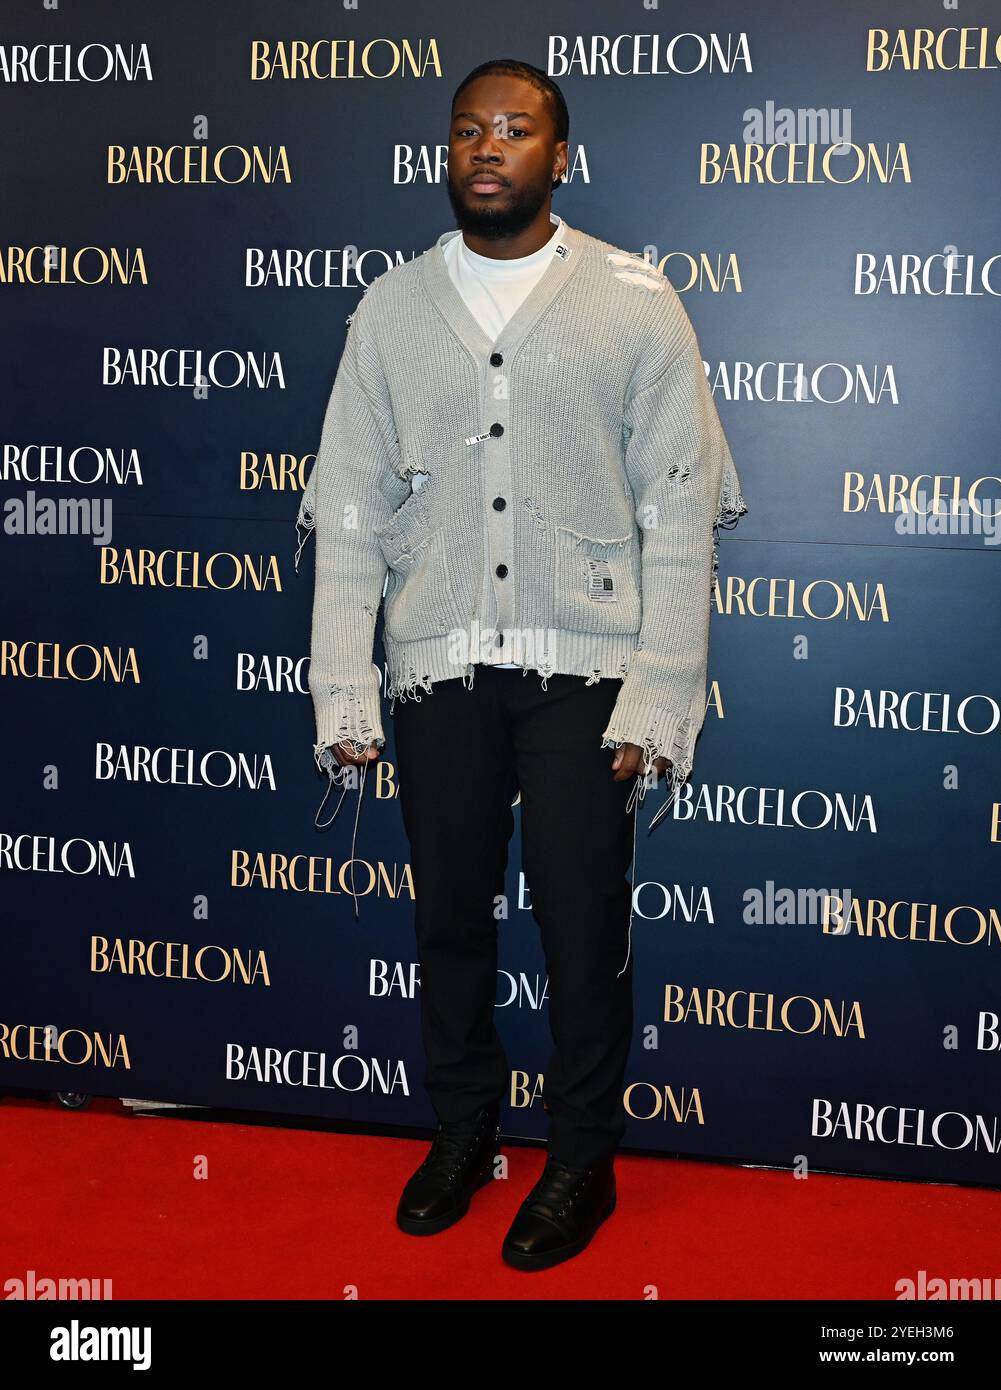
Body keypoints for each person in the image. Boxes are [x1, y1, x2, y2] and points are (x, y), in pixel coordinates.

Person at [295, 58, 747, 1271]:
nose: (485, 148)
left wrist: (657, 693)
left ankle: (581, 1160)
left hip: (586, 673)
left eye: (514, 129)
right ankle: (460, 1134)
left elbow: (677, 509)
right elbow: (346, 508)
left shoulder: (634, 299)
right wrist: (346, 682)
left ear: (558, 155)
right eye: (465, 130)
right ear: (444, 154)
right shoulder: (390, 309)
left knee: (579, 922)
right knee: (448, 919)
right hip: (437, 668)